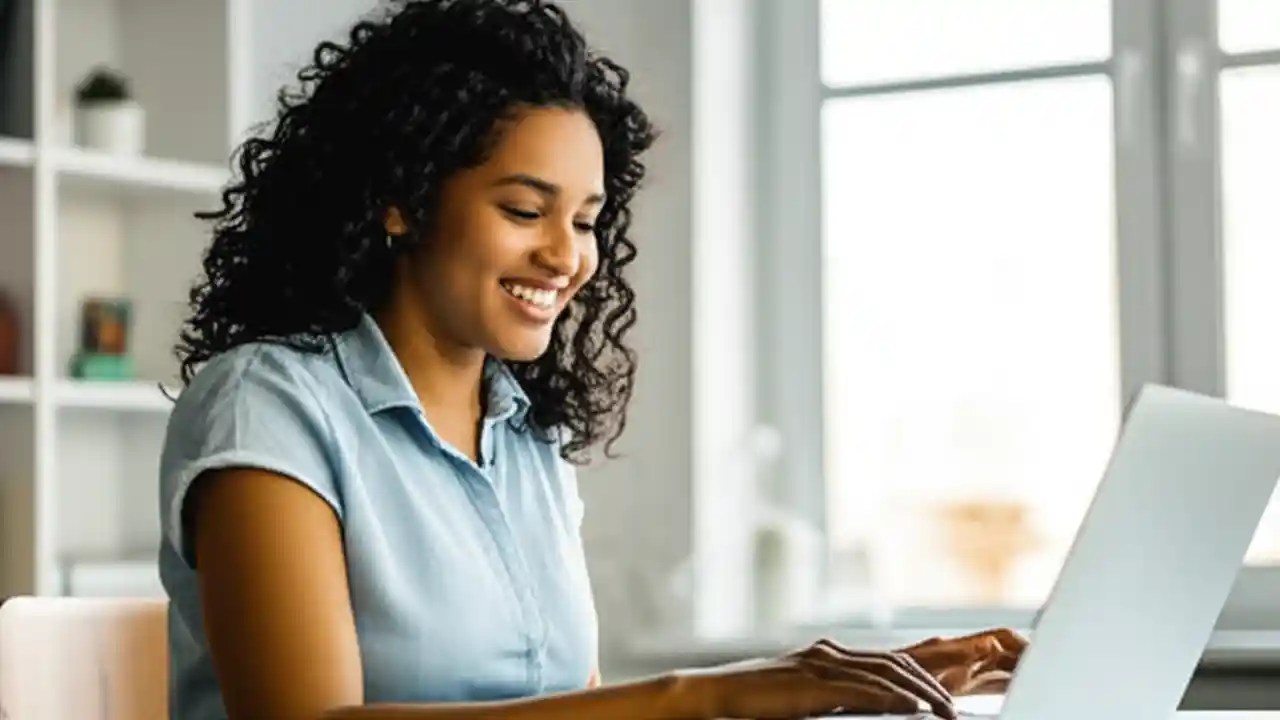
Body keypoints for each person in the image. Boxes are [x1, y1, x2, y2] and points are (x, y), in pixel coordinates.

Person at [158, 1, 1026, 718]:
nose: (567, 257)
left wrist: (860, 685)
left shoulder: (526, 437)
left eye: (584, 221)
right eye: (525, 209)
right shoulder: (269, 404)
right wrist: (718, 693)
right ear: (401, 202)